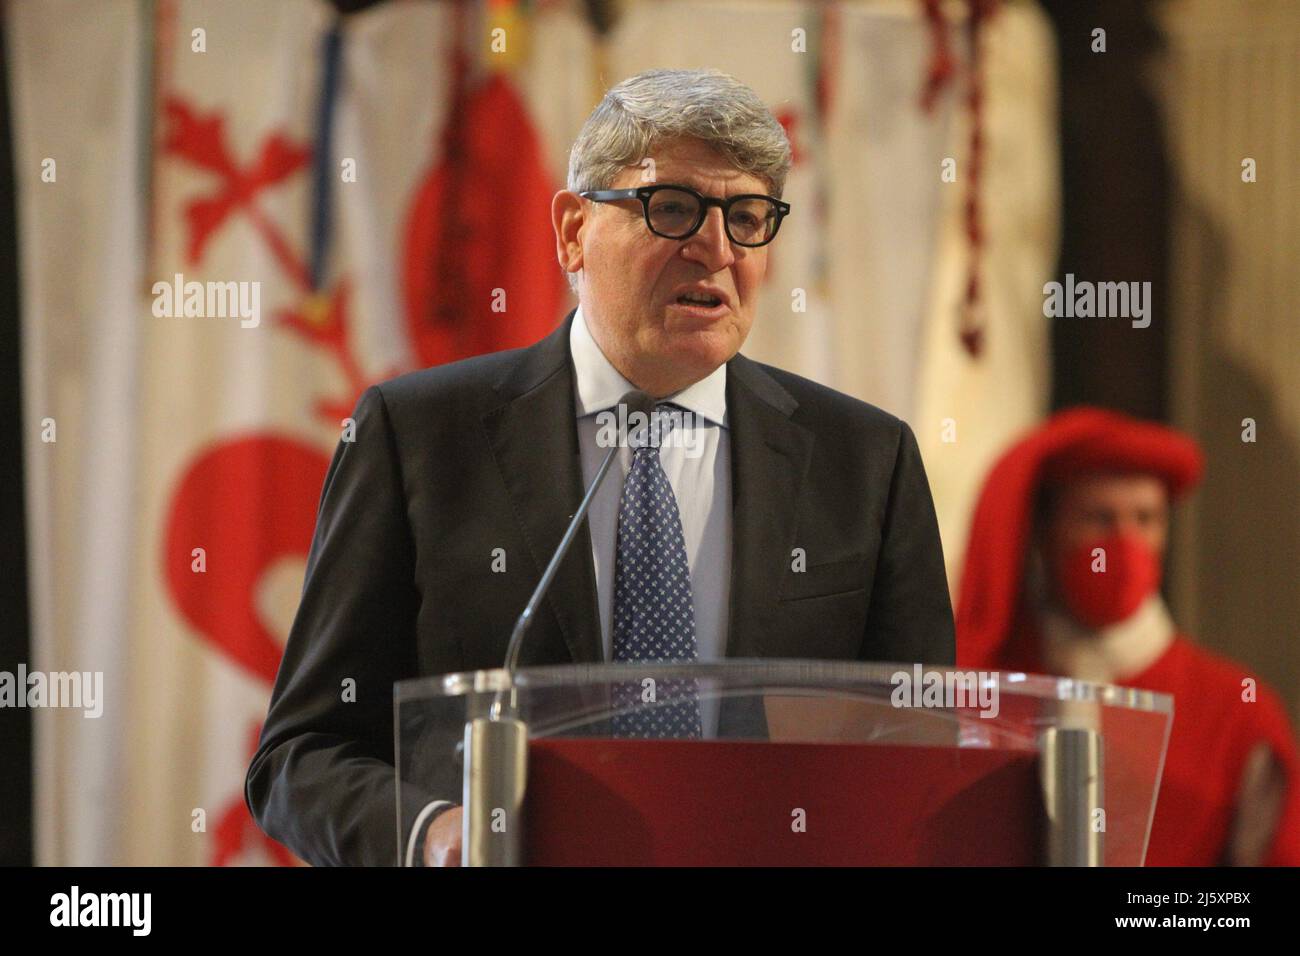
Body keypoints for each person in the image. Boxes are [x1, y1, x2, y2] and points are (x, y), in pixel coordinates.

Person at [247, 68, 954, 867]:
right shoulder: (417, 436)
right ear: (573, 229)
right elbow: (301, 756)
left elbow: (920, 751)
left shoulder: (864, 459)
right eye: (675, 208)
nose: (717, 250)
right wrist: (437, 836)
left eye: (749, 217)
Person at [956, 406, 1300, 865]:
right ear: (1043, 534)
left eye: (1145, 519)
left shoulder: (1237, 713)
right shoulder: (988, 687)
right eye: (1098, 518)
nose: (1124, 541)